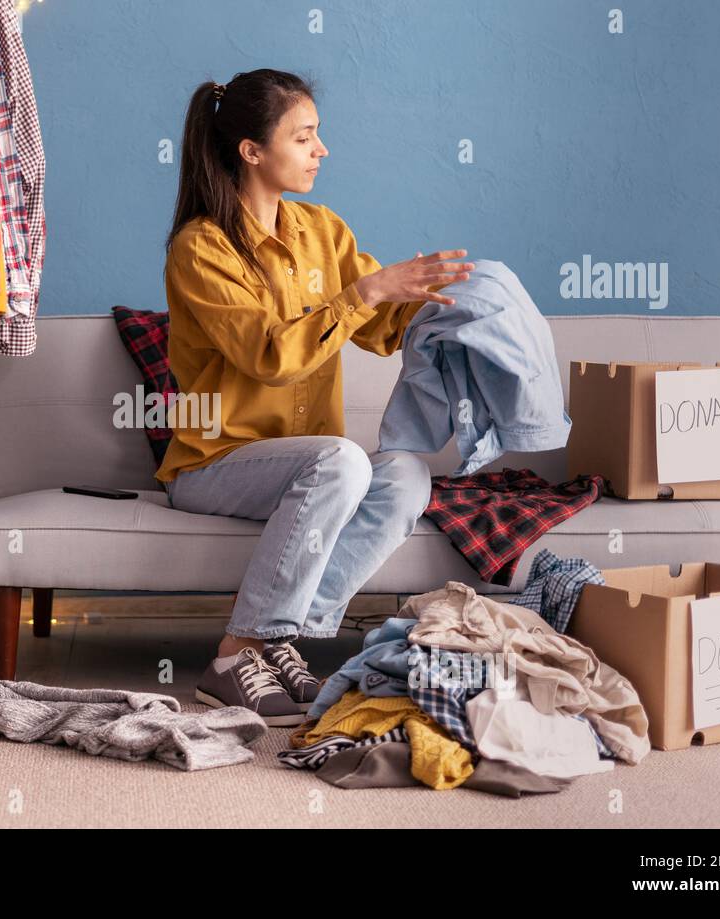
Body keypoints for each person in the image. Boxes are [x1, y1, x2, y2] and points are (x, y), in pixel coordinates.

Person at [156, 69, 474, 725]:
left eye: (317, 136)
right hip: (215, 461)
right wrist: (365, 292)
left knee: (406, 475)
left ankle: (277, 638)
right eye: (303, 137)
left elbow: (383, 328)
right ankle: (232, 655)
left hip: (308, 466)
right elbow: (270, 356)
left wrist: (450, 312)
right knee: (342, 460)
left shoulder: (322, 231)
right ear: (251, 150)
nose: (319, 150)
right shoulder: (201, 249)